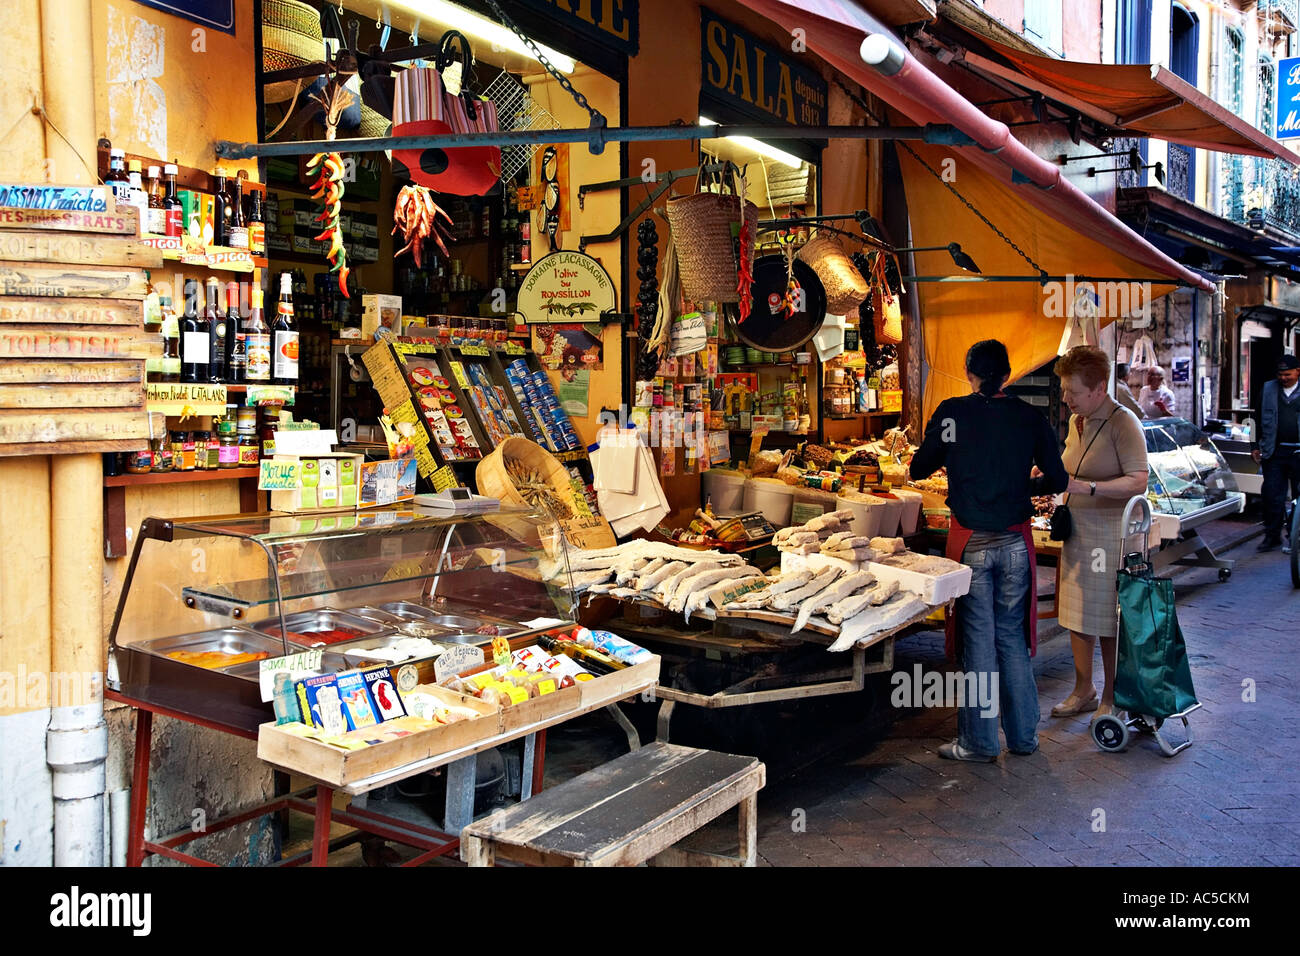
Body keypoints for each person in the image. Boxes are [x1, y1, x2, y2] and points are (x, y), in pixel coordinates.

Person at [911, 340, 1068, 762]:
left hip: (973, 543)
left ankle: (979, 743)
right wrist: (1024, 486)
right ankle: (1023, 738)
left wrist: (955, 459)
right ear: (1007, 374)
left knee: (979, 641)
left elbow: (918, 468)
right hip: (1017, 542)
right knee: (1012, 638)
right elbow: (1057, 477)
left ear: (969, 371)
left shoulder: (952, 413)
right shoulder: (1029, 417)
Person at [1050, 347, 1149, 720]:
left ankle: (1112, 695)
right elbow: (1068, 469)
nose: (1065, 398)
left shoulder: (1123, 423)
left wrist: (1088, 488)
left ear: (1097, 389)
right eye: (1064, 390)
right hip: (1079, 531)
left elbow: (1139, 480)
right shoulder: (1080, 422)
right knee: (1077, 614)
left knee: (1109, 618)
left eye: (1072, 391)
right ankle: (1083, 690)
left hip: (1112, 535)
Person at [1252, 354, 1300, 552]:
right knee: (1272, 495)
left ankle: (1296, 537)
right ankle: (1272, 536)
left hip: (1299, 451)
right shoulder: (1268, 389)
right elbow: (1256, 418)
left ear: (1298, 371)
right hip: (1275, 451)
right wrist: (1254, 445)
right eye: (1280, 374)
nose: (1283, 378)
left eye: (1287, 374)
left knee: (1299, 495)